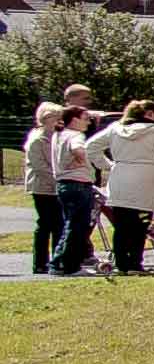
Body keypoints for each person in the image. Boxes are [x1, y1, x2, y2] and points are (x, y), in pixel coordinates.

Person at [91, 99, 154, 277]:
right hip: (146, 180)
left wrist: (108, 165)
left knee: (121, 225)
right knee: (140, 224)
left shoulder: (115, 128)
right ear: (149, 114)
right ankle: (135, 263)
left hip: (120, 178)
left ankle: (122, 264)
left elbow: (91, 147)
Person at [44, 106, 100, 279]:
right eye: (85, 118)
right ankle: (70, 265)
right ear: (75, 119)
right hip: (78, 184)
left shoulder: (59, 135)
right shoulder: (76, 135)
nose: (88, 122)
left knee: (71, 224)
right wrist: (82, 160)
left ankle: (58, 262)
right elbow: (78, 150)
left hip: (64, 185)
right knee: (78, 226)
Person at [18, 103, 56, 276]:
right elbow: (39, 166)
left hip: (55, 186)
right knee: (46, 223)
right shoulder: (37, 139)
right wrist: (57, 179)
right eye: (57, 118)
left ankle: (57, 260)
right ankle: (40, 263)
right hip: (42, 186)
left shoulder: (55, 136)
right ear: (46, 119)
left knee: (59, 225)